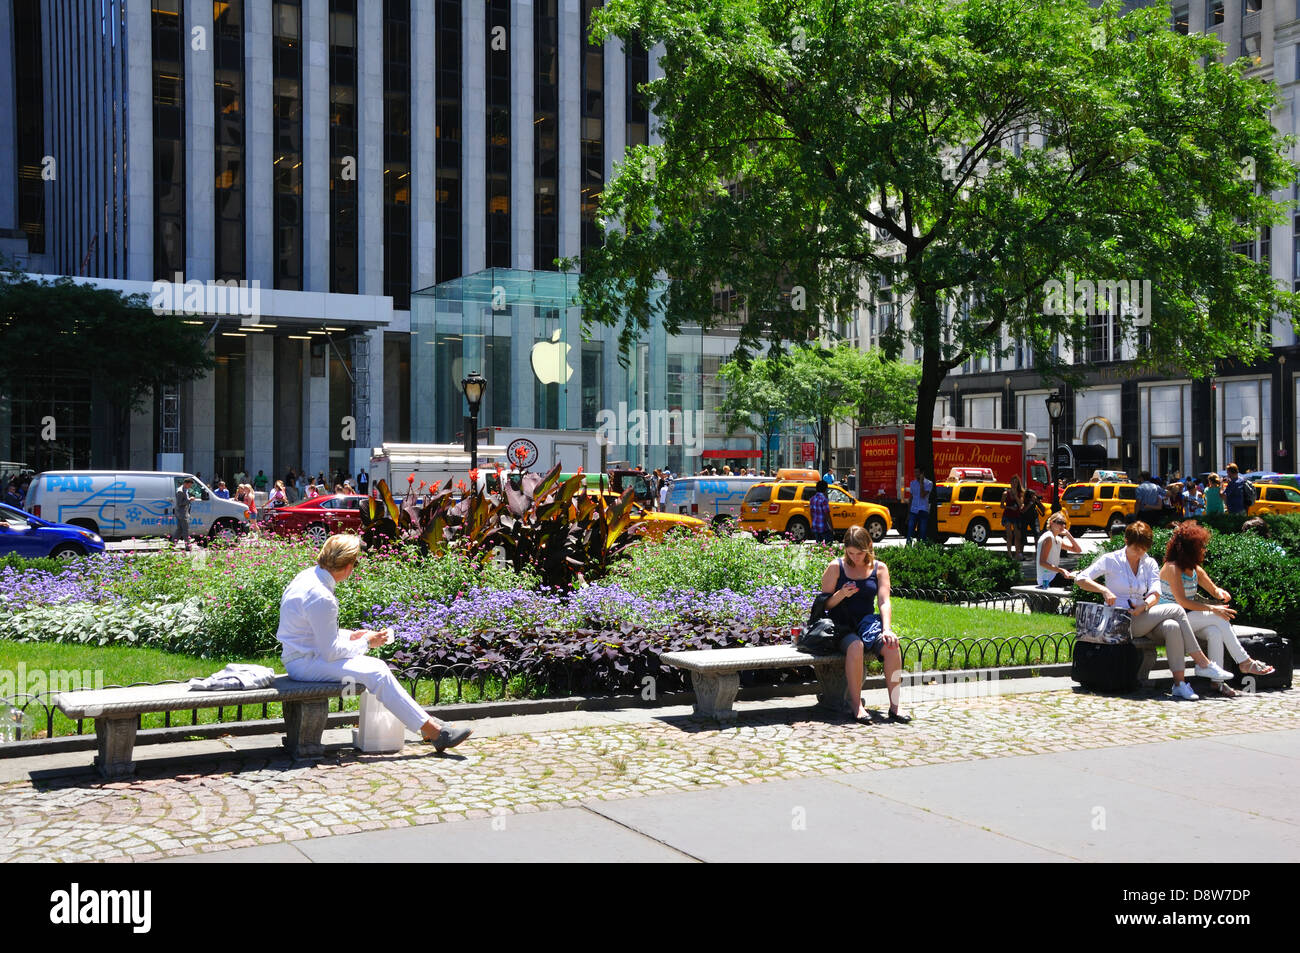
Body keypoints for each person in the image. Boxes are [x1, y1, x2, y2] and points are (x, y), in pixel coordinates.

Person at [277, 535, 472, 752]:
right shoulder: (322, 596)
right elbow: (330, 652)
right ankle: (435, 732)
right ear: (348, 565)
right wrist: (367, 642)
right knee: (377, 672)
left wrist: (351, 636)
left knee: (376, 670)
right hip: (305, 664)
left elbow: (309, 629)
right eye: (356, 563)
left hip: (301, 656)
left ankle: (430, 725)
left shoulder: (308, 577)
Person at [1075, 521, 1232, 700]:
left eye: (1144, 549)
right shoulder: (1111, 560)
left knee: (1172, 626)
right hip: (1120, 621)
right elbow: (1081, 578)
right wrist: (1104, 590)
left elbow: (1155, 592)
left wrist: (1145, 605)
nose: (1140, 553)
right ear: (1126, 541)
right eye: (1136, 549)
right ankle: (1203, 663)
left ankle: (1180, 684)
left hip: (1143, 616)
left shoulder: (1149, 563)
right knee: (1177, 609)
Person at [1159, 522, 1275, 698]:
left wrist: (1221, 593)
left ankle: (1217, 683)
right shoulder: (1172, 567)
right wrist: (1214, 608)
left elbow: (1213, 589)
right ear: (1189, 549)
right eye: (1200, 546)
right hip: (1170, 622)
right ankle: (1244, 661)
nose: (1204, 550)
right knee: (1218, 618)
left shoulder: (1194, 569)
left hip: (1188, 621)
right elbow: (1182, 601)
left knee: (1215, 632)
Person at [820, 526, 908, 724]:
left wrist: (887, 629)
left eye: (860, 553)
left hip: (867, 625)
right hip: (840, 625)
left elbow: (884, 601)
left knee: (892, 645)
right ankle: (856, 704)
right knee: (855, 646)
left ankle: (895, 705)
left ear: (869, 547)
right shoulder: (836, 567)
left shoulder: (879, 568)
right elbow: (823, 605)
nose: (855, 557)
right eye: (851, 553)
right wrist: (841, 594)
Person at [1037, 513, 1082, 588]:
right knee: (1080, 578)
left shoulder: (1057, 539)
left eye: (1064, 523)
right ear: (1051, 522)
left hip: (1054, 575)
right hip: (1047, 580)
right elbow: (1042, 562)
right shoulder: (1048, 538)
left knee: (1080, 573)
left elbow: (1077, 550)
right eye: (1060, 522)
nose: (1063, 525)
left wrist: (1068, 534)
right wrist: (1061, 570)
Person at [904, 467, 932, 545]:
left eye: (917, 472)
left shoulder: (929, 483)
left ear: (922, 473)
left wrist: (921, 483)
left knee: (922, 531)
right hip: (913, 510)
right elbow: (911, 498)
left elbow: (923, 495)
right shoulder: (912, 483)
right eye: (915, 472)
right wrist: (908, 513)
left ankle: (921, 547)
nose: (916, 474)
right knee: (910, 530)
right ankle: (908, 547)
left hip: (923, 510)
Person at [1003, 476, 1025, 558]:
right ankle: (1009, 553)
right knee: (1009, 535)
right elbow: (1002, 506)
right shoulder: (1006, 493)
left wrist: (1016, 496)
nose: (1014, 484)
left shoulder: (1020, 494)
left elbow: (1021, 505)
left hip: (1016, 516)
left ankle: (1016, 554)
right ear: (1010, 483)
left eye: (1016, 482)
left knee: (1017, 536)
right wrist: (1009, 507)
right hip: (1008, 515)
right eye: (1013, 482)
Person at [809, 480, 833, 545]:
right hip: (824, 527)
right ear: (825, 489)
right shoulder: (824, 500)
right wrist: (831, 527)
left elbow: (811, 513)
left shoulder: (812, 499)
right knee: (829, 545)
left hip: (816, 526)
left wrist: (812, 523)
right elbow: (827, 515)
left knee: (819, 546)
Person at [173, 477, 194, 551]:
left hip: (182, 512)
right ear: (185, 483)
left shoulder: (185, 489)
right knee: (186, 530)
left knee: (179, 530)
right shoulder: (180, 491)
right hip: (182, 513)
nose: (190, 487)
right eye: (189, 485)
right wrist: (189, 500)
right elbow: (180, 503)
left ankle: (172, 545)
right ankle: (188, 546)